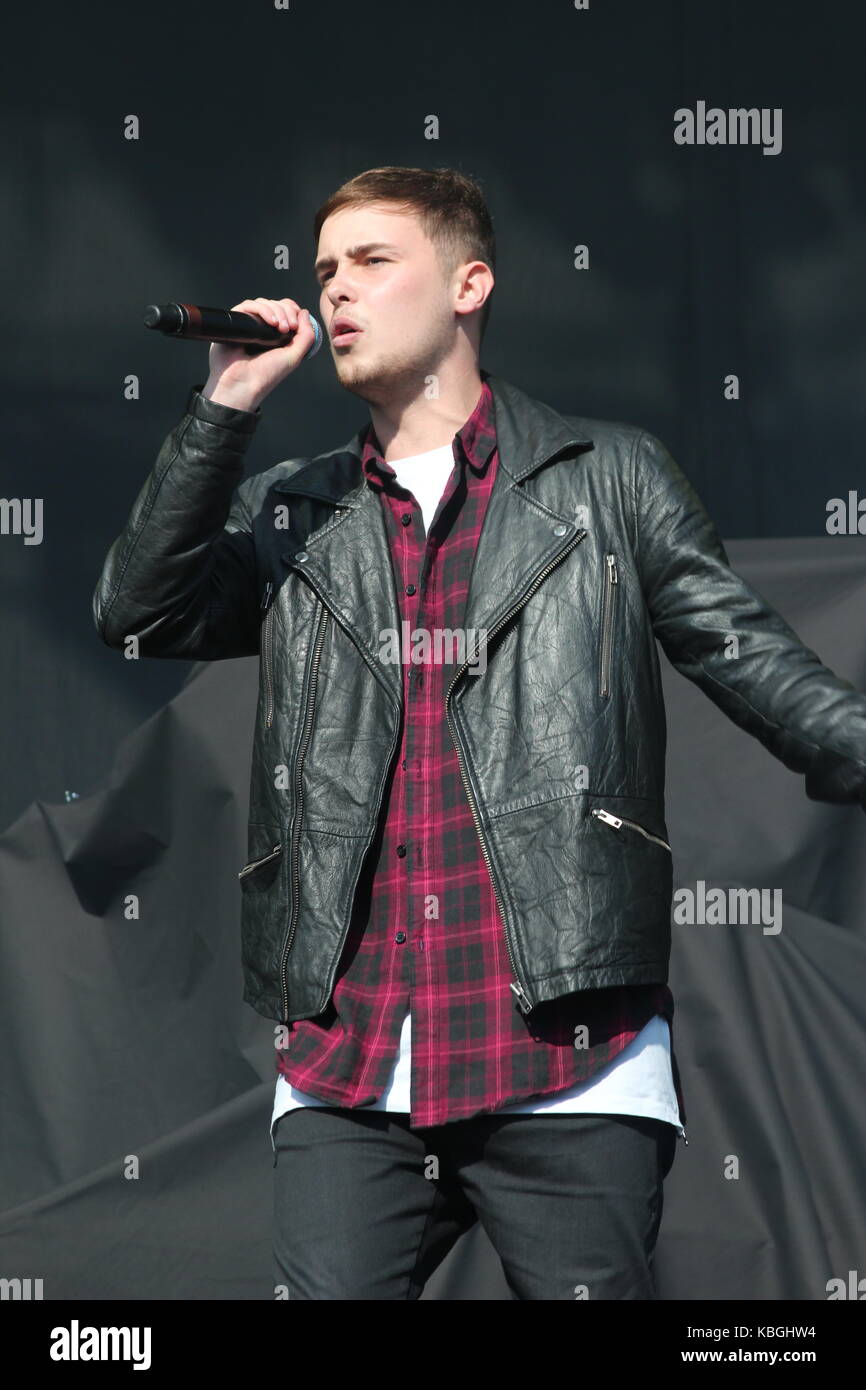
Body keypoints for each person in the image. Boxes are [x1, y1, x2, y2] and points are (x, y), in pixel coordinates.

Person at [93, 165, 866, 1300]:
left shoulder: (606, 479)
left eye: (370, 261)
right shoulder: (300, 511)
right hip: (348, 1067)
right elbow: (138, 610)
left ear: (469, 283)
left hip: (565, 1053)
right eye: (322, 271)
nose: (335, 291)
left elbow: (752, 661)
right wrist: (226, 408)